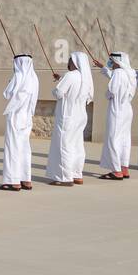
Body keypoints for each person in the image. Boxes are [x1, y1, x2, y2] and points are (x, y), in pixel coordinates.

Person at [47, 51, 93, 185]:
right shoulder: (85, 77)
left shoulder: (70, 76)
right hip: (80, 115)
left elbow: (59, 93)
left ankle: (64, 177)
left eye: (70, 60)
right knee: (77, 145)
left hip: (67, 115)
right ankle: (76, 174)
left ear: (76, 62)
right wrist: (61, 79)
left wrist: (56, 88)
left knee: (64, 145)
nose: (68, 62)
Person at [0, 54, 39, 191]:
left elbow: (7, 94)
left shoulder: (18, 76)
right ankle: (26, 179)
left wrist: (11, 81)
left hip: (16, 116)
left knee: (12, 148)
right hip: (27, 116)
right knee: (24, 148)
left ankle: (12, 181)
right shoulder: (34, 78)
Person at [99, 52, 136, 180]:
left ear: (117, 61)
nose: (111, 63)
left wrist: (107, 95)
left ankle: (116, 171)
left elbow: (112, 90)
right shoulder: (129, 72)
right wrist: (103, 68)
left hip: (117, 108)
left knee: (113, 138)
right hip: (127, 108)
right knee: (125, 139)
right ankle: (124, 168)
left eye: (112, 60)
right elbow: (114, 78)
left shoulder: (119, 73)